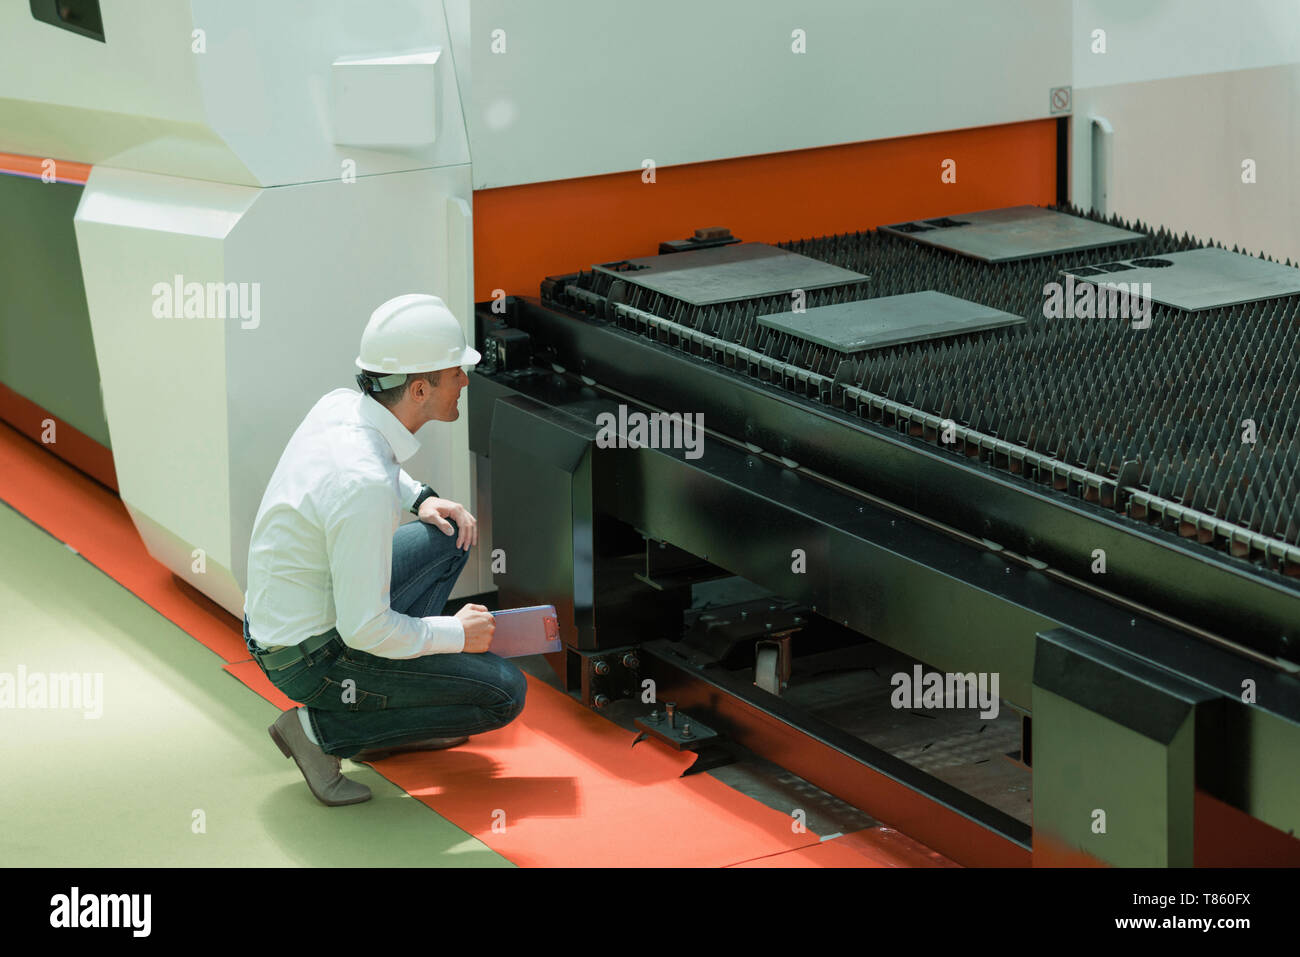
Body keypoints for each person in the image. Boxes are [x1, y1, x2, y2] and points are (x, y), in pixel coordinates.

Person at [243, 293, 526, 806]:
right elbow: (365, 628)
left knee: (448, 535)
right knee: (505, 692)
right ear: (420, 388)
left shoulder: (342, 407)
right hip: (307, 654)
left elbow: (377, 468)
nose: (465, 380)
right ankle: (318, 733)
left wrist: (421, 498)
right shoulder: (363, 487)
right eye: (456, 372)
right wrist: (454, 633)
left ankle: (389, 711)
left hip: (288, 616)